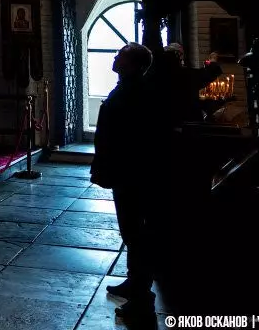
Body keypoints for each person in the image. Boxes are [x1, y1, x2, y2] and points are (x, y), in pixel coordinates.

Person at [90, 43, 222, 327]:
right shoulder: (130, 86)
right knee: (131, 232)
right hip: (124, 170)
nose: (115, 58)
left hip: (132, 172)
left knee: (136, 233)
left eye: (120, 55)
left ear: (134, 64)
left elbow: (131, 134)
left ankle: (141, 297)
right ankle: (134, 282)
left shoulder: (138, 91)